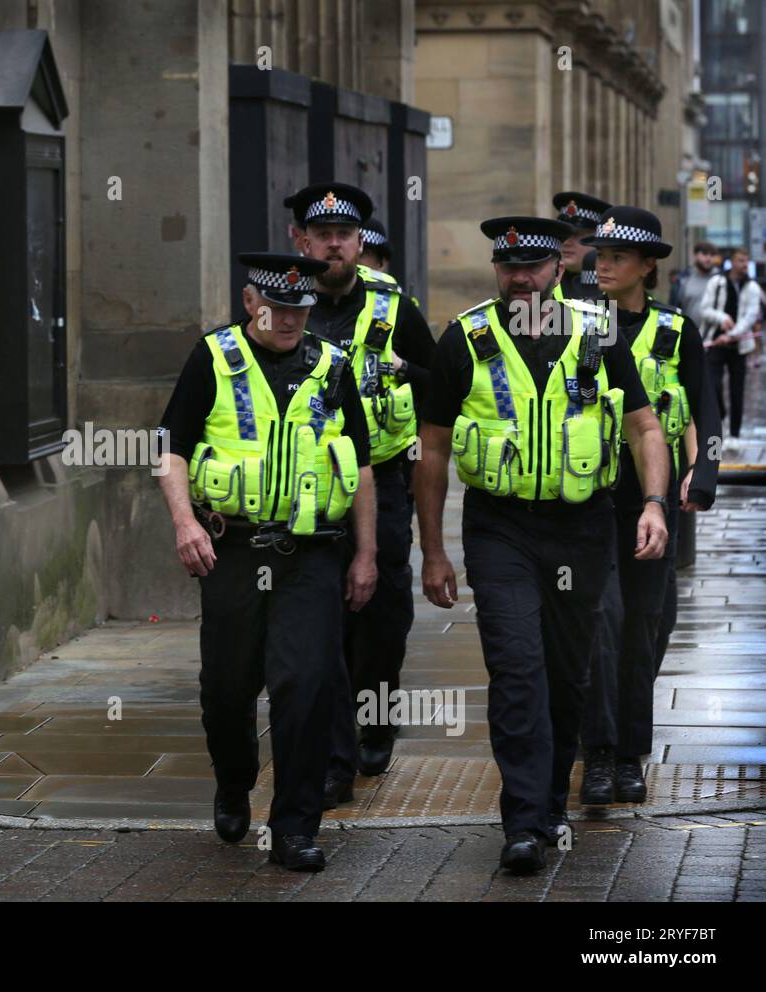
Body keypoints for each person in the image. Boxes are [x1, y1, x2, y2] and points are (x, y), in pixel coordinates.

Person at [414, 215, 670, 875]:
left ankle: (552, 800)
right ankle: (523, 823)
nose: (520, 279)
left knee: (567, 675)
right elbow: (434, 449)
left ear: (560, 267)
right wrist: (433, 551)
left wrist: (654, 504)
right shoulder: (465, 339)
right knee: (517, 669)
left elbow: (645, 427)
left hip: (581, 530)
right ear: (497, 270)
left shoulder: (597, 331)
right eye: (509, 268)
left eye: (533, 267)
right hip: (500, 527)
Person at [157, 252, 376, 872]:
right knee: (227, 689)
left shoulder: (332, 367)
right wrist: (183, 522)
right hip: (232, 549)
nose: (290, 320)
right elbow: (170, 448)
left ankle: (295, 827)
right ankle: (233, 779)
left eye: (300, 309)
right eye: (279, 308)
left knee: (304, 687)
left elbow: (359, 466)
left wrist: (367, 553)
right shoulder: (213, 357)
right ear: (254, 302)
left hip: (310, 555)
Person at [283, 182, 435, 795]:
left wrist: (400, 371)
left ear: (358, 241)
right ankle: (333, 751)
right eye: (323, 236)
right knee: (319, 617)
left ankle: (375, 719)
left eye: (345, 235)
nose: (335, 244)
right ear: (302, 241)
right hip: (308, 487)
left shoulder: (393, 304)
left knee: (382, 612)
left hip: (385, 478)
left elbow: (438, 386)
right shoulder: (282, 299)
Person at [578, 207, 721, 806]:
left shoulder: (676, 328)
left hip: (651, 497)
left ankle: (632, 751)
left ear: (647, 267)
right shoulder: (579, 325)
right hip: (587, 494)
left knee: (644, 627)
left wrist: (705, 468)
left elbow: (704, 405)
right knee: (598, 628)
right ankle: (600, 756)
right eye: (599, 256)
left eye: (616, 258)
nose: (602, 266)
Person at [700, 247, 762, 438]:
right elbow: (705, 310)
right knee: (713, 385)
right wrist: (722, 318)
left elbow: (750, 317)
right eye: (741, 261)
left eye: (746, 261)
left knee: (737, 391)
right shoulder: (717, 282)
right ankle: (721, 416)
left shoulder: (752, 288)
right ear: (733, 262)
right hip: (715, 343)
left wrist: (732, 334)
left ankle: (734, 434)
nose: (744, 265)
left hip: (739, 347)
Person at [551, 191, 610, 302]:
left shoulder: (613, 285)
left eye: (577, 234)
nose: (567, 242)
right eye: (564, 235)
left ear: (597, 237)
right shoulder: (545, 284)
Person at [669, 241, 719, 330]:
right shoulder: (682, 281)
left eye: (712, 255)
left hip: (715, 338)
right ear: (695, 255)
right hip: (688, 335)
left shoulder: (721, 281)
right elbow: (673, 310)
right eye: (704, 253)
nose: (708, 258)